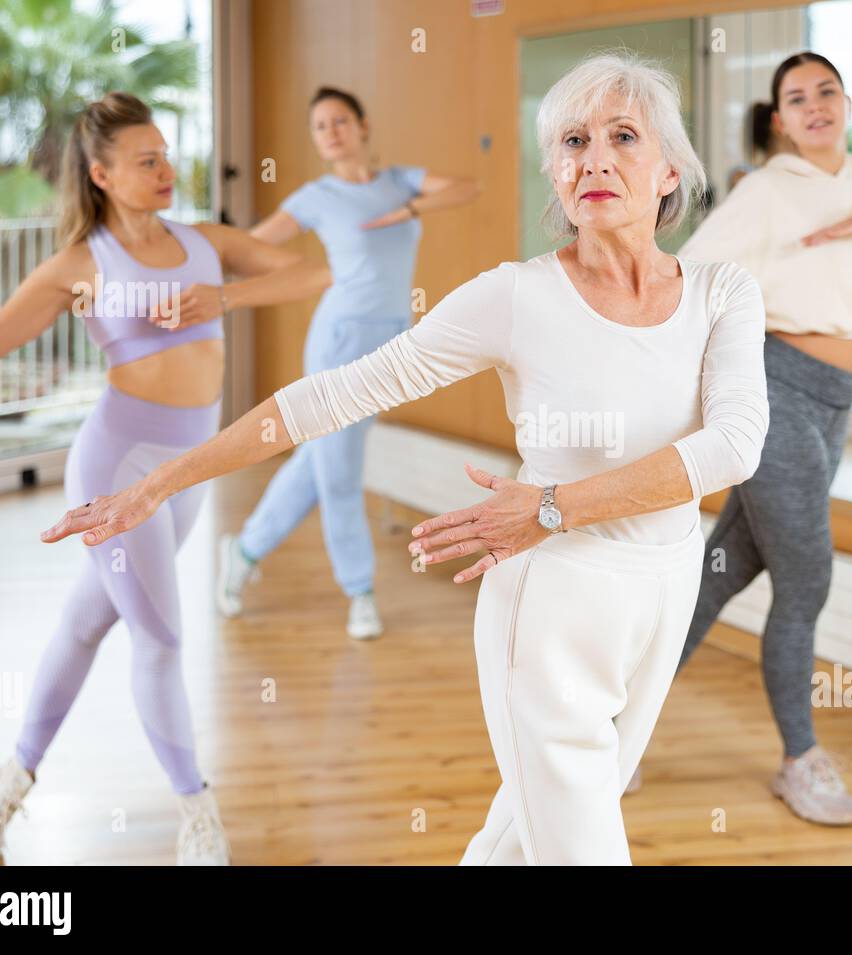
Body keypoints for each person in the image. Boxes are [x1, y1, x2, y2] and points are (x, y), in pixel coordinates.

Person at [41, 53, 770, 865]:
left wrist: (552, 501)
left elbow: (732, 446)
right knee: (582, 849)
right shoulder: (515, 296)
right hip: (551, 598)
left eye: (622, 136)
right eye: (572, 140)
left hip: (664, 587)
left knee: (519, 839)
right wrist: (160, 480)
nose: (592, 156)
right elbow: (335, 393)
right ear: (555, 175)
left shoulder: (723, 292)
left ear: (669, 167)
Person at [0, 92, 332, 865]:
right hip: (117, 467)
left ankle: (1, 788)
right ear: (103, 175)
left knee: (86, 625)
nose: (166, 169)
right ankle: (198, 815)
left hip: (187, 471)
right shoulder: (81, 265)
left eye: (166, 154)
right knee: (162, 634)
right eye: (147, 161)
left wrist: (225, 295)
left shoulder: (206, 243)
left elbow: (312, 274)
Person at [635, 51, 852, 825]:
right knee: (807, 580)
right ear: (780, 120)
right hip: (774, 387)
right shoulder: (767, 192)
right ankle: (800, 757)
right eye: (797, 98)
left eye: (826, 90)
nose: (815, 105)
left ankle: (613, 729)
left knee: (724, 568)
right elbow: (689, 273)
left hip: (836, 399)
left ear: (846, 100)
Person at [216, 86, 481, 638]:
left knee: (319, 462)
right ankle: (359, 590)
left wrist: (405, 209)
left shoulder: (400, 181)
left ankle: (242, 554)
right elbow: (246, 248)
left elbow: (466, 187)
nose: (331, 131)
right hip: (339, 342)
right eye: (320, 126)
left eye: (340, 121)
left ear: (362, 126)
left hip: (392, 341)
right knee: (338, 471)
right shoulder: (316, 197)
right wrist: (188, 266)